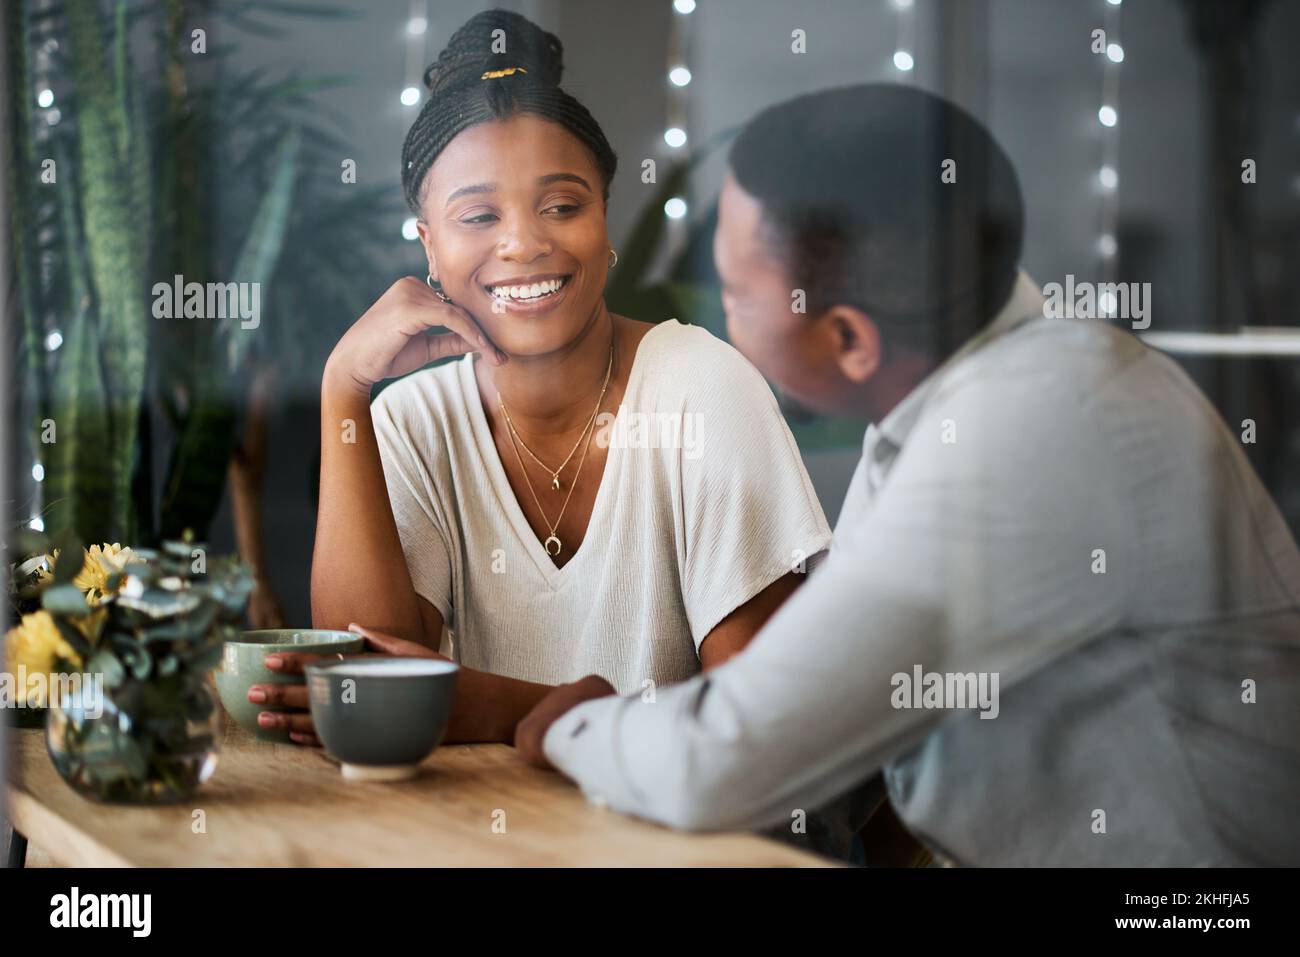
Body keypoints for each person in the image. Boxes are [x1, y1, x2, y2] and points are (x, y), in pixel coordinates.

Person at [516, 83, 1300, 866]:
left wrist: (571, 726)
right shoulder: (962, 391)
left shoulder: (1026, 430)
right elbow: (841, 720)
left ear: (851, 338)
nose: (722, 314)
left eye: (736, 292)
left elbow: (725, 760)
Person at [254, 11, 829, 771]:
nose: (525, 242)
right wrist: (343, 388)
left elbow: (761, 733)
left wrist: (500, 706)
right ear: (428, 242)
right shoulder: (410, 422)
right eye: (478, 216)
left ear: (605, 218)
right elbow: (367, 695)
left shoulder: (701, 388)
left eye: (562, 205)